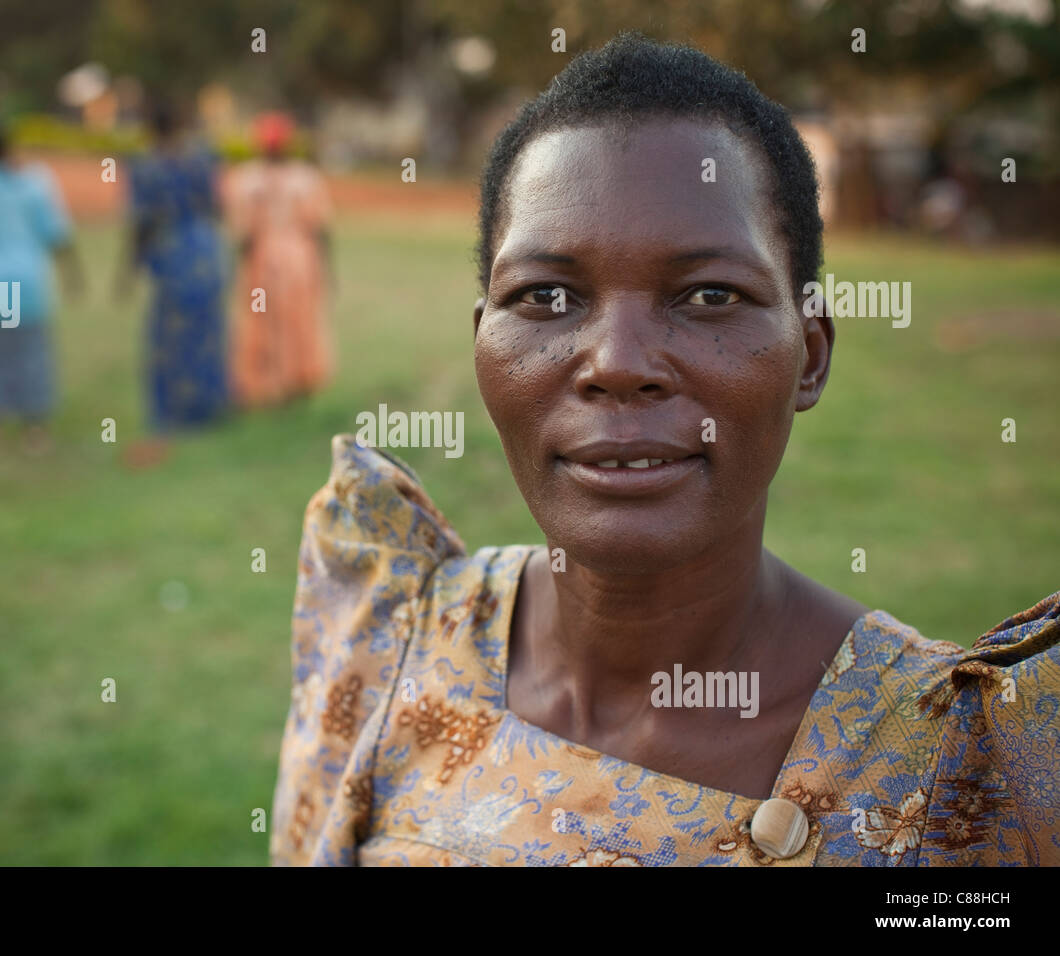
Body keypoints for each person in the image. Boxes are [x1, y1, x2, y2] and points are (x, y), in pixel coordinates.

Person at [270, 34, 1059, 866]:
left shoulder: (962, 776)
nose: (617, 364)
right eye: (546, 296)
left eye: (710, 294)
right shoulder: (396, 648)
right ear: (482, 345)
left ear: (810, 355)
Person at [0, 125, 82, 455]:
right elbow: (58, 234)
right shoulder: (37, 182)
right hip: (29, 285)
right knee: (32, 357)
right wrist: (73, 276)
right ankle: (35, 432)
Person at [117, 102, 227, 466]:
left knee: (169, 339)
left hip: (172, 258)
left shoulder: (145, 167)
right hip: (206, 253)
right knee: (207, 334)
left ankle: (170, 414)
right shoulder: (203, 158)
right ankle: (207, 409)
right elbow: (217, 207)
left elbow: (141, 223)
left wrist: (128, 271)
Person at [223, 112, 335, 408]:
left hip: (263, 260)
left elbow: (243, 233)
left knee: (261, 319)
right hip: (299, 258)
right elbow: (320, 228)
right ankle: (298, 379)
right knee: (298, 318)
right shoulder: (305, 177)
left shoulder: (246, 179)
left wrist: (241, 265)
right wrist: (326, 271)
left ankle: (266, 383)